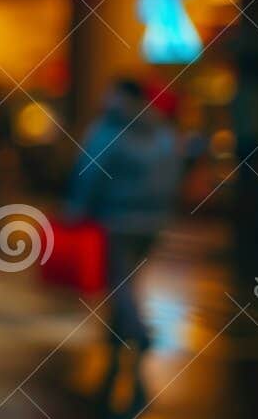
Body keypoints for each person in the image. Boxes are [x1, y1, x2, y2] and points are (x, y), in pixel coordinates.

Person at [68, 78, 181, 373]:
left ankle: (139, 332)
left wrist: (77, 208)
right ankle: (116, 332)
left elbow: (90, 171)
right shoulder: (163, 132)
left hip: (117, 217)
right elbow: (173, 173)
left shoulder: (108, 129)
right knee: (130, 278)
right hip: (154, 219)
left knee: (118, 280)